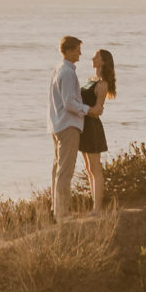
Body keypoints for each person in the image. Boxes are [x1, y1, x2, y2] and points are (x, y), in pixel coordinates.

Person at [48, 35, 97, 221]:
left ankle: (57, 210)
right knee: (65, 170)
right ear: (68, 51)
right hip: (67, 124)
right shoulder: (67, 72)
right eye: (77, 49)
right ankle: (62, 213)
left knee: (58, 169)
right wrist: (88, 110)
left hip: (57, 124)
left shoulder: (58, 70)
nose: (80, 53)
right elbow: (69, 102)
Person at [79, 48, 116, 212]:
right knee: (88, 168)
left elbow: (97, 109)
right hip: (83, 125)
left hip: (92, 127)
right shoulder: (90, 80)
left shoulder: (102, 84)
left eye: (97, 56)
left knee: (95, 167)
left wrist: (84, 110)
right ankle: (93, 204)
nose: (93, 57)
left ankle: (97, 207)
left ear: (103, 61)